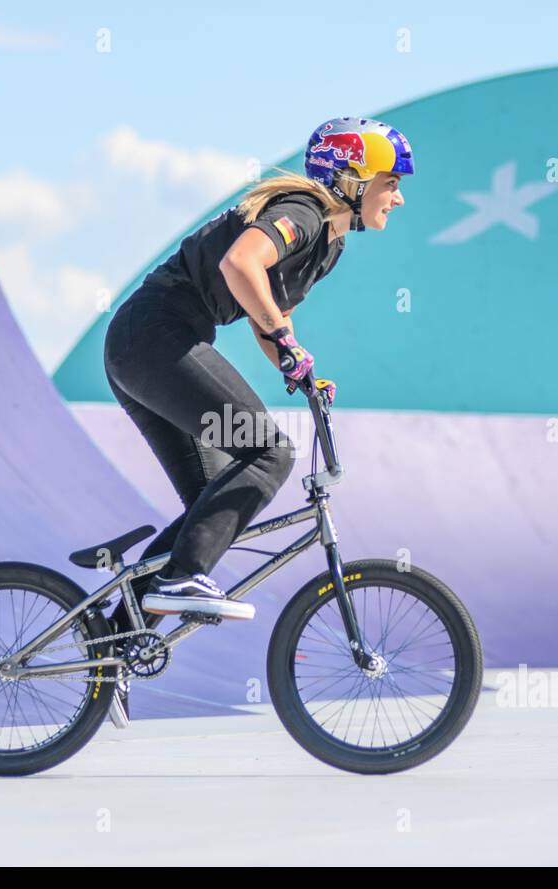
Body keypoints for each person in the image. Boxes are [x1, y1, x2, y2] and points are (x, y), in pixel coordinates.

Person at [104, 116, 414, 630]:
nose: (398, 198)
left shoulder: (328, 244)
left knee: (211, 508)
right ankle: (180, 578)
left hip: (147, 347)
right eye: (392, 183)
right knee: (269, 451)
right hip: (154, 339)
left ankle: (116, 641)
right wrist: (286, 343)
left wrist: (301, 369)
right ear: (353, 179)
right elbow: (240, 265)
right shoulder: (305, 212)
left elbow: (270, 314)